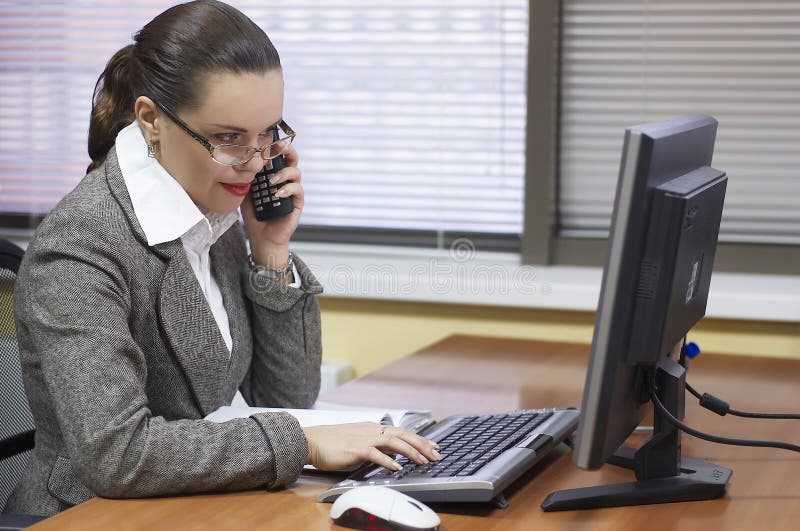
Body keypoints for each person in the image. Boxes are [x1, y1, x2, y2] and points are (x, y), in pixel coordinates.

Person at [5, 0, 439, 517]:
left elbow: (286, 395)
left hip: (196, 506)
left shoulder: (216, 209)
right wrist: (305, 443)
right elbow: (117, 455)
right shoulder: (81, 246)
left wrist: (270, 251)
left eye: (269, 134)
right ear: (151, 120)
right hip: (86, 517)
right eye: (229, 139)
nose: (257, 163)